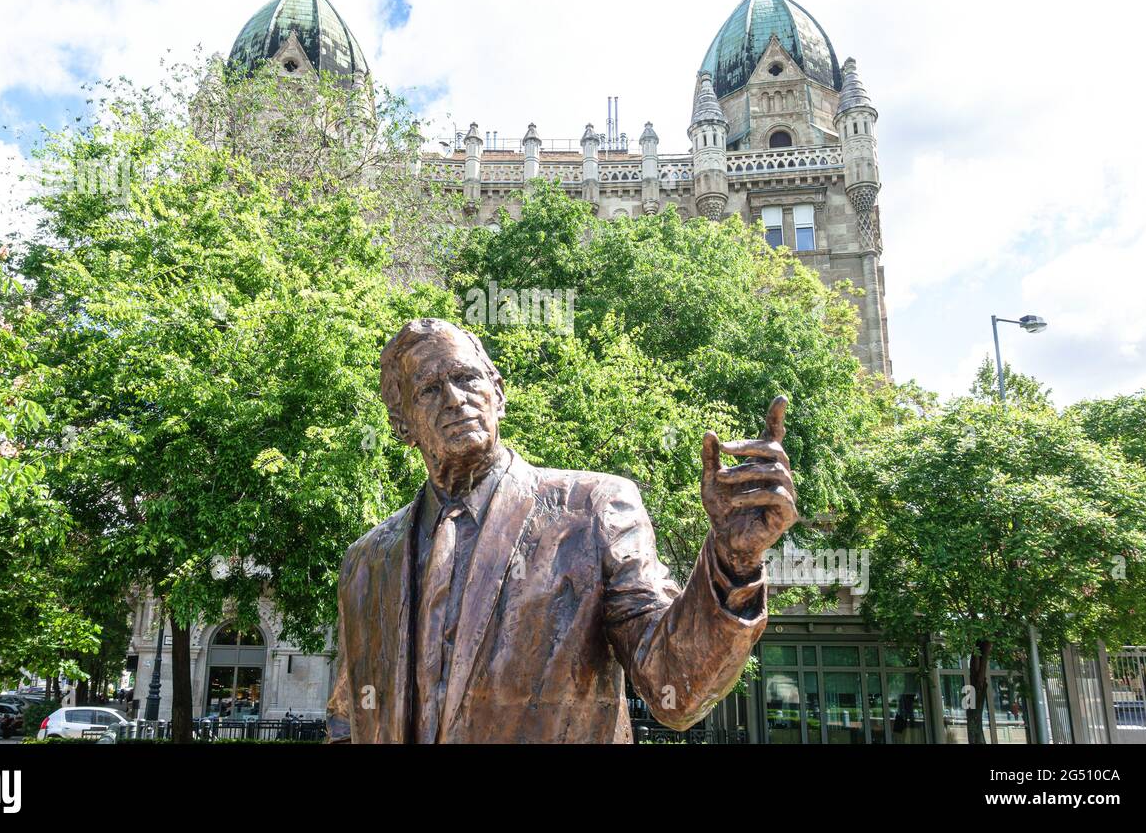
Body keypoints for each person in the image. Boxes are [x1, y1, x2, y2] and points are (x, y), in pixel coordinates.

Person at [326, 318, 798, 743]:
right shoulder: (367, 561)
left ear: (499, 393)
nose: (454, 399)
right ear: (401, 423)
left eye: (467, 378)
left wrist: (733, 560)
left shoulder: (594, 509)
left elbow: (672, 685)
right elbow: (348, 721)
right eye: (429, 389)